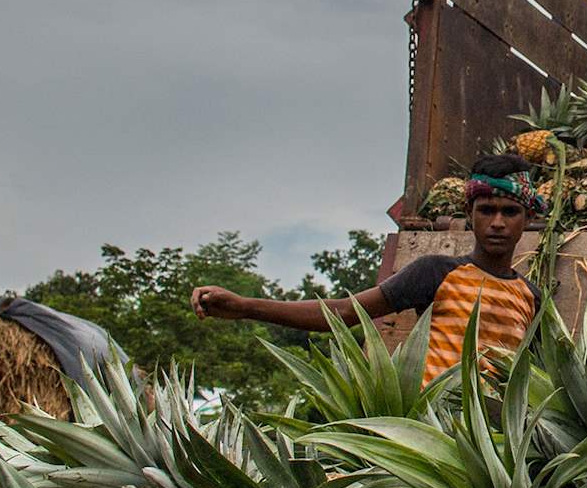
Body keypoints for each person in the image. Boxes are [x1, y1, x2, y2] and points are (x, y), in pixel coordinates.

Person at [190, 154, 544, 382]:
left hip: (498, 449)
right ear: (469, 214)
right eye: (486, 210)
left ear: (528, 218)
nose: (497, 222)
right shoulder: (436, 273)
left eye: (510, 212)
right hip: (434, 436)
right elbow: (345, 312)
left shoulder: (531, 296)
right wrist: (246, 307)